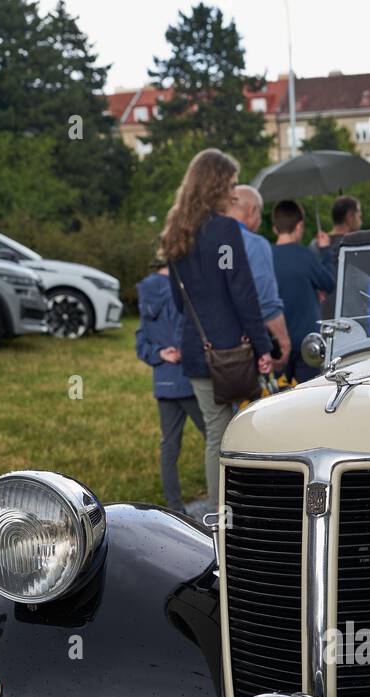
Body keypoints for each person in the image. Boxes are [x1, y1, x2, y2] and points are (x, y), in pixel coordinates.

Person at [163, 149, 273, 507]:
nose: (234, 192)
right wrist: (263, 346)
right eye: (230, 184)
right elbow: (242, 293)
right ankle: (241, 507)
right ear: (215, 185)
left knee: (216, 432)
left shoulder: (176, 231)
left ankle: (218, 511)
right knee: (246, 427)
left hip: (197, 350)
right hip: (233, 351)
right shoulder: (224, 229)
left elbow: (179, 301)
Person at [135, 258, 205, 514]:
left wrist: (159, 353)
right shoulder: (179, 292)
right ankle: (225, 499)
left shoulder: (146, 296)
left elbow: (140, 343)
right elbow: (189, 331)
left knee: (169, 446)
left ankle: (175, 507)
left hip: (164, 380)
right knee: (218, 438)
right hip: (189, 379)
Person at [271, 199, 336, 383]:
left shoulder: (266, 256)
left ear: (275, 228)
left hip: (277, 342)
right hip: (307, 344)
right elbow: (329, 284)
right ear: (299, 226)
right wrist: (325, 251)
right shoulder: (305, 256)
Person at [229, 184, 291, 370]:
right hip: (245, 350)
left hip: (207, 350)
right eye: (259, 214)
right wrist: (283, 342)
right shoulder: (255, 244)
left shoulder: (205, 240)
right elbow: (265, 300)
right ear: (252, 210)